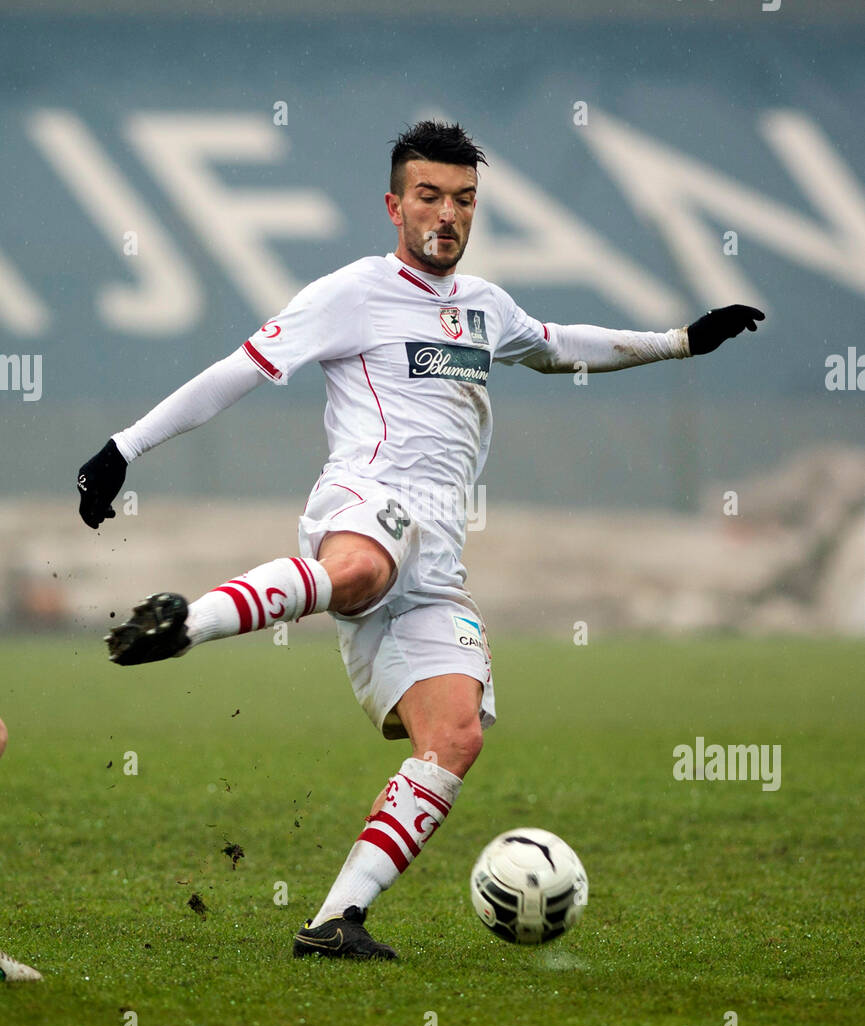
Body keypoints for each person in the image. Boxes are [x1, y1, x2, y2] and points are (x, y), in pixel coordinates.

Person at [77, 119, 763, 960]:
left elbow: (554, 347)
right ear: (394, 205)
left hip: (437, 561)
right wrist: (124, 448)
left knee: (456, 737)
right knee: (361, 567)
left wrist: (680, 342)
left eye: (464, 200)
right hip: (368, 501)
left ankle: (335, 921)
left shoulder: (485, 308)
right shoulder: (354, 292)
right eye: (430, 197)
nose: (448, 215)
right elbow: (239, 369)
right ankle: (188, 624)